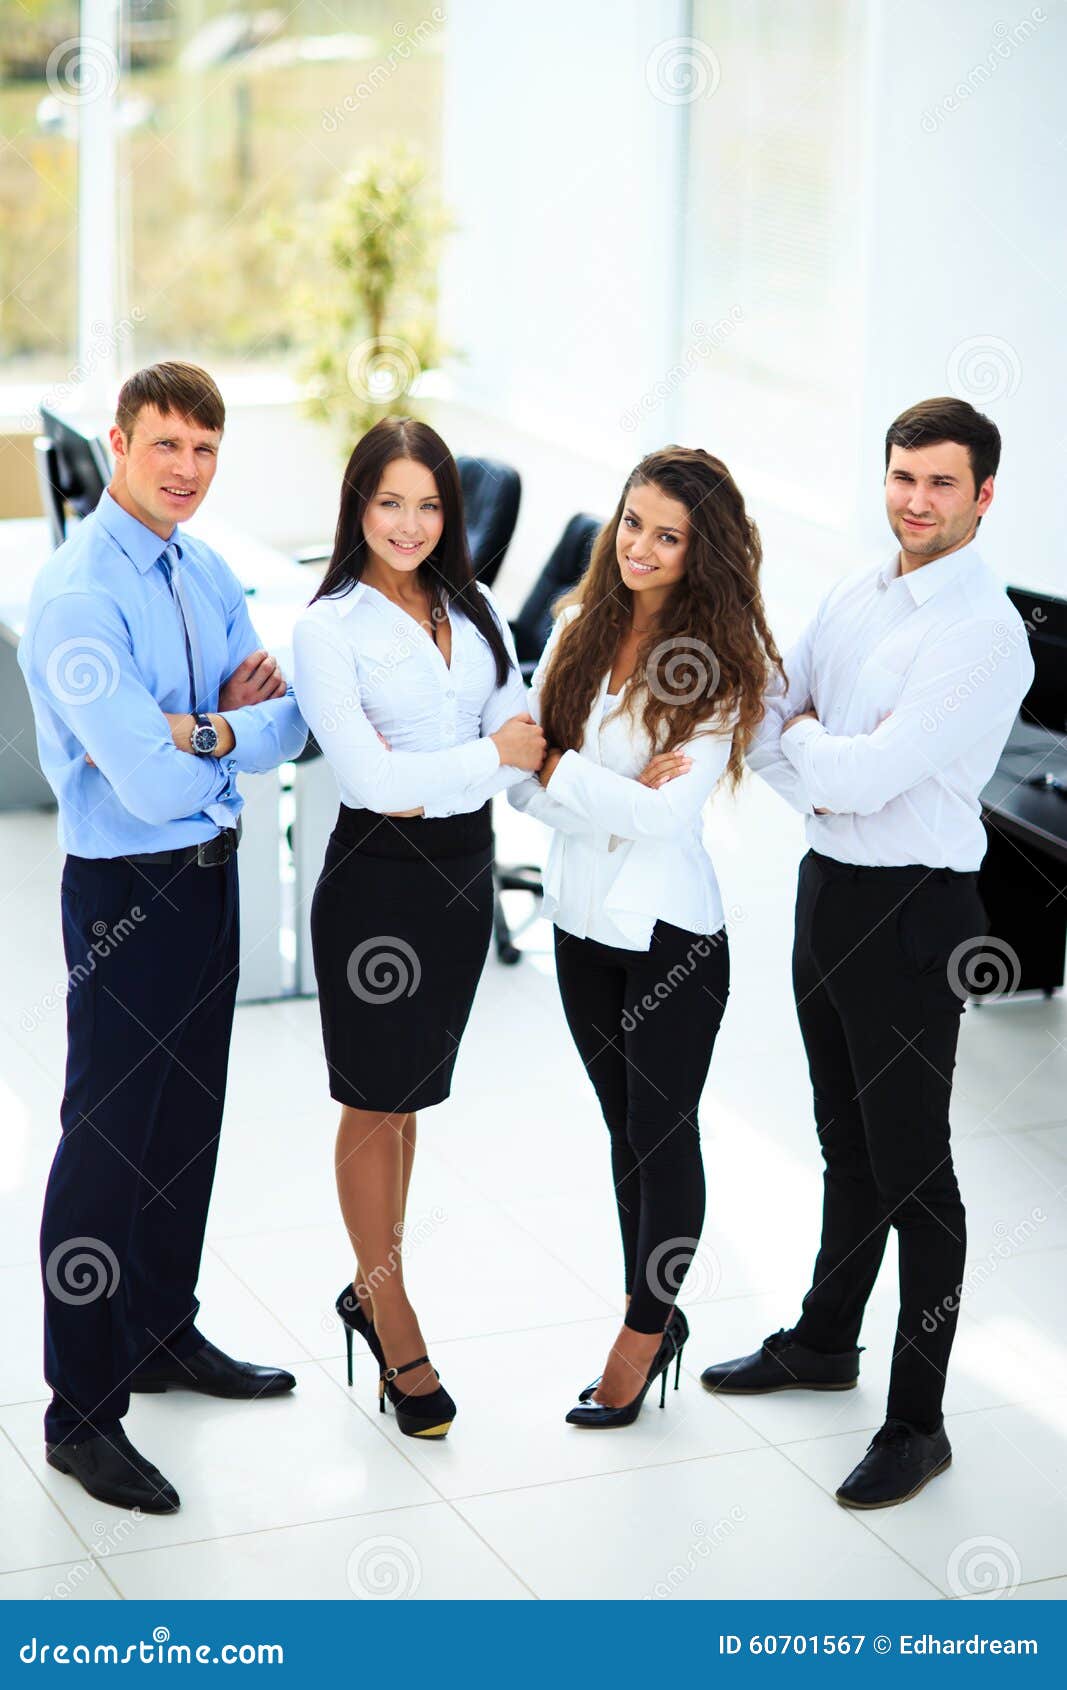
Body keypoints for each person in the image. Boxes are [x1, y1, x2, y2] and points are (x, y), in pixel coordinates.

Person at [701, 397, 1034, 1508]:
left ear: (982, 495)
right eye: (901, 475)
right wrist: (817, 757)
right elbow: (768, 716)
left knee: (913, 1171)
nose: (914, 499)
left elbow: (857, 775)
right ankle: (821, 1339)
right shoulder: (858, 584)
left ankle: (917, 1419)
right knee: (840, 1136)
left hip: (912, 914)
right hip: (827, 895)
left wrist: (814, 759)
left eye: (940, 483)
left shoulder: (980, 632)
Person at [18, 361, 308, 1515]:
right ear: (117, 444)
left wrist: (201, 726)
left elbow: (288, 720)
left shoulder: (204, 564)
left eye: (205, 449)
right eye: (165, 446)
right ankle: (80, 1410)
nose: (186, 469)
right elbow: (137, 783)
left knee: (186, 1121)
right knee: (107, 1142)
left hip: (209, 876)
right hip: (128, 892)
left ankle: (159, 1330)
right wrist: (217, 728)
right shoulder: (83, 596)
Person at [509, 446, 783, 1427]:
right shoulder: (577, 630)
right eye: (632, 522)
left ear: (699, 551)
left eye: (666, 536)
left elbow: (656, 818)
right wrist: (594, 787)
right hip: (579, 922)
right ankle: (651, 1312)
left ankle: (640, 1329)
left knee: (662, 1133)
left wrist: (558, 770)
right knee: (623, 1131)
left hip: (671, 936)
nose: (639, 546)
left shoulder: (712, 663)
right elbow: (515, 777)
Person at [291, 417, 544, 1440]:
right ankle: (387, 1308)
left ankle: (371, 1276)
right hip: (376, 885)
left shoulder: (470, 605)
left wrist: (489, 755)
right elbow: (373, 782)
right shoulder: (328, 628)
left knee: (407, 1103)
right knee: (370, 1098)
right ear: (358, 505)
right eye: (389, 502)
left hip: (459, 877)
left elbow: (524, 721)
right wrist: (485, 755)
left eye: (429, 504)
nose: (409, 523)